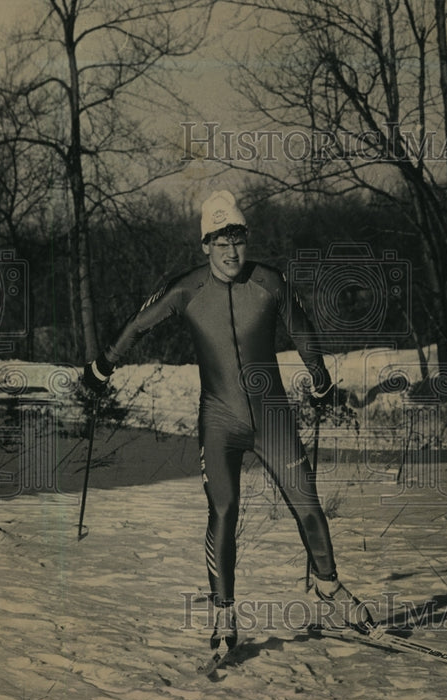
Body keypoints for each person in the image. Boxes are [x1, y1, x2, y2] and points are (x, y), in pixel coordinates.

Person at [82, 190, 373, 651]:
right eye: (221, 242)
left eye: (238, 240)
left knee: (309, 507)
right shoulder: (187, 288)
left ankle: (329, 586)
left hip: (272, 416)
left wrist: (319, 376)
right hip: (219, 420)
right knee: (224, 510)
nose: (232, 252)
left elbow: (302, 328)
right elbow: (138, 324)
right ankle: (223, 614)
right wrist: (102, 366)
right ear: (205, 245)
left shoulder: (270, 282)